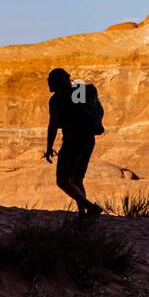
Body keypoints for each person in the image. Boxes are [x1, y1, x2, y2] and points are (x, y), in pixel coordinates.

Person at [44, 67, 102, 216]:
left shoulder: (57, 99)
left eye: (51, 80)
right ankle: (83, 214)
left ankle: (90, 207)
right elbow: (84, 112)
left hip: (73, 141)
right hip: (88, 139)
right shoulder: (82, 91)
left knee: (62, 181)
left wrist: (49, 147)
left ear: (59, 81)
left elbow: (53, 125)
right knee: (77, 179)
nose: (48, 83)